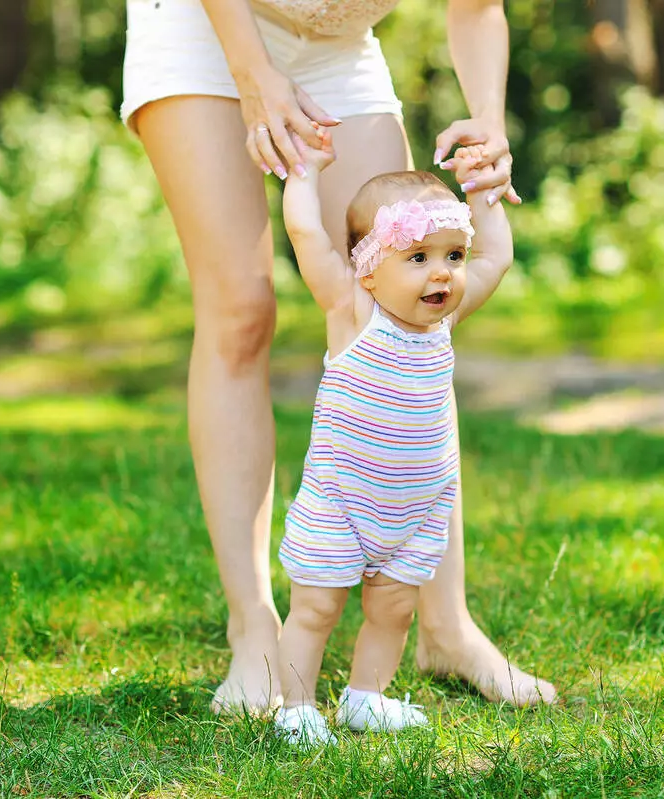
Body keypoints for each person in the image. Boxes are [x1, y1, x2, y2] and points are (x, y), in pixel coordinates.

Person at [121, 0, 556, 713]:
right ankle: (253, 628)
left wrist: (489, 122)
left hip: (339, 46)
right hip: (203, 31)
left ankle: (445, 625)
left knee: (409, 312)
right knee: (240, 309)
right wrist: (253, 72)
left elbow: (477, 8)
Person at [273, 130, 515, 747]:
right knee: (317, 609)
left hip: (415, 507)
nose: (442, 274)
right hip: (342, 501)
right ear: (369, 269)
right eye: (418, 259)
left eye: (451, 256)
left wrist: (484, 197)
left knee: (394, 610)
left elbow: (497, 260)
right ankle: (295, 709)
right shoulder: (352, 310)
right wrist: (304, 175)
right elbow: (307, 236)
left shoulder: (445, 320)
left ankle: (366, 698)